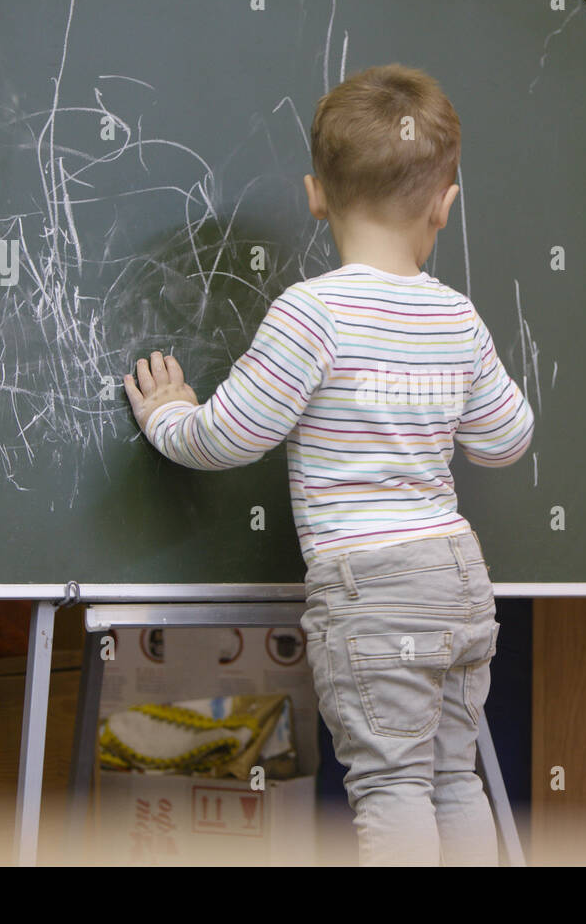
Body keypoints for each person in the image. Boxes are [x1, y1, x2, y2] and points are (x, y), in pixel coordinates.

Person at [124, 64, 534, 866]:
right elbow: (507, 437)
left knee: (391, 785)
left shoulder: (312, 314)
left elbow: (229, 436)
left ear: (316, 193)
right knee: (454, 777)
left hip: (373, 588)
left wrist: (167, 414)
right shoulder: (456, 314)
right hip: (457, 578)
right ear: (445, 205)